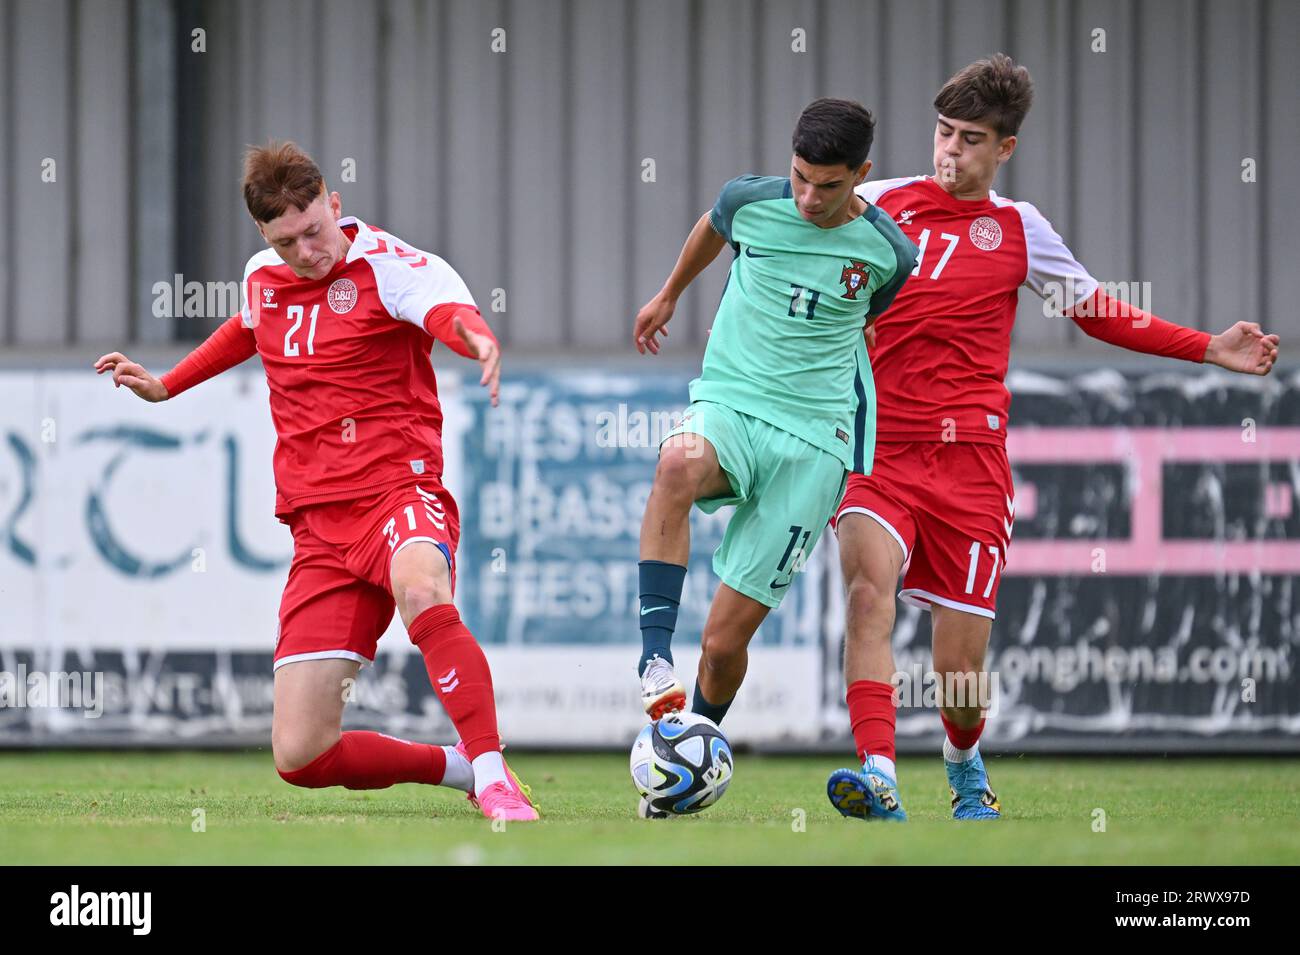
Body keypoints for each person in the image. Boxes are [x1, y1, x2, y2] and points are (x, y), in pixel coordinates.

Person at [828, 55, 1280, 822]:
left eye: (971, 139)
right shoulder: (874, 204)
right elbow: (792, 237)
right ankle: (879, 777)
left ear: (1004, 148)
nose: (950, 151)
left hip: (971, 467)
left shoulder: (1019, 228)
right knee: (868, 595)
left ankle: (965, 761)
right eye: (943, 133)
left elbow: (1099, 309)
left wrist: (1209, 346)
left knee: (959, 677)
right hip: (882, 453)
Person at [93, 141, 539, 821]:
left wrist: (476, 339)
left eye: (314, 231)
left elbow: (446, 310)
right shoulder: (263, 276)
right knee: (301, 753)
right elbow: (249, 328)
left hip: (398, 489)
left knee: (422, 586)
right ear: (263, 237)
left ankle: (493, 768)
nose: (306, 252)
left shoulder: (390, 268)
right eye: (286, 242)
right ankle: (459, 769)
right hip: (320, 527)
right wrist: (166, 384)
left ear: (334, 202)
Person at [631, 98, 917, 816]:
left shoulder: (888, 250)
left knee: (724, 646)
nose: (809, 197)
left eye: (828, 185)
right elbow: (712, 228)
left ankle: (691, 760)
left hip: (813, 441)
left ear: (862, 175)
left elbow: (869, 309)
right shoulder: (749, 202)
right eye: (800, 178)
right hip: (733, 397)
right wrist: (669, 295)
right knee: (676, 464)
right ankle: (653, 655)